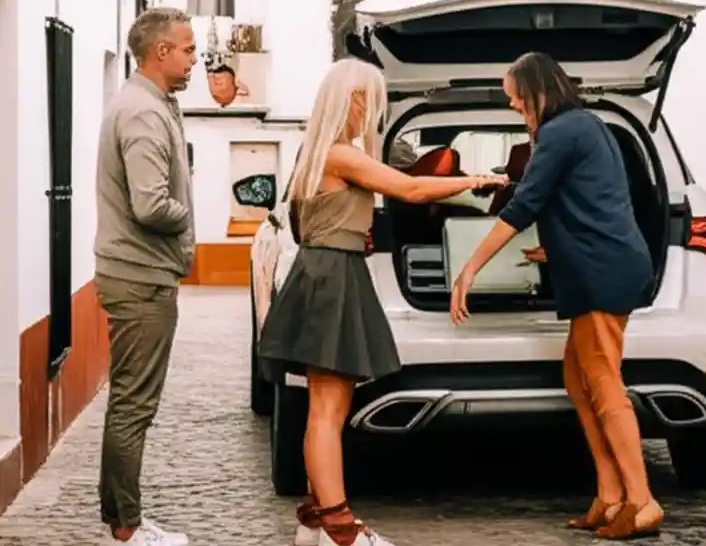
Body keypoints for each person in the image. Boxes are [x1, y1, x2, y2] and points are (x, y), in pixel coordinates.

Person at [257, 58, 507, 546]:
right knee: (329, 410)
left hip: (328, 272)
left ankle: (316, 520)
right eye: (371, 101)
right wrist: (475, 180)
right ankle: (340, 528)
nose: (375, 111)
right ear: (352, 101)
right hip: (332, 275)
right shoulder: (340, 153)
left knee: (324, 407)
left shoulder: (317, 152)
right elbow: (409, 188)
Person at [448, 51, 664, 539]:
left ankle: (642, 500)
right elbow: (589, 196)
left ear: (537, 91)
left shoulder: (561, 131)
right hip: (606, 265)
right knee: (577, 379)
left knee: (605, 386)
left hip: (601, 274)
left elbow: (526, 204)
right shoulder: (588, 125)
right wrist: (560, 243)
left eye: (515, 98)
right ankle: (610, 496)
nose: (514, 108)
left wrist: (470, 269)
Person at [93, 7, 198, 546]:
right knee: (134, 406)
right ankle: (127, 530)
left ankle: (123, 520)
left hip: (136, 272)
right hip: (141, 277)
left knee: (130, 403)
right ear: (160, 52)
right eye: (187, 48)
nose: (194, 58)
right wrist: (187, 212)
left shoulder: (150, 105)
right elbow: (151, 204)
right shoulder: (143, 113)